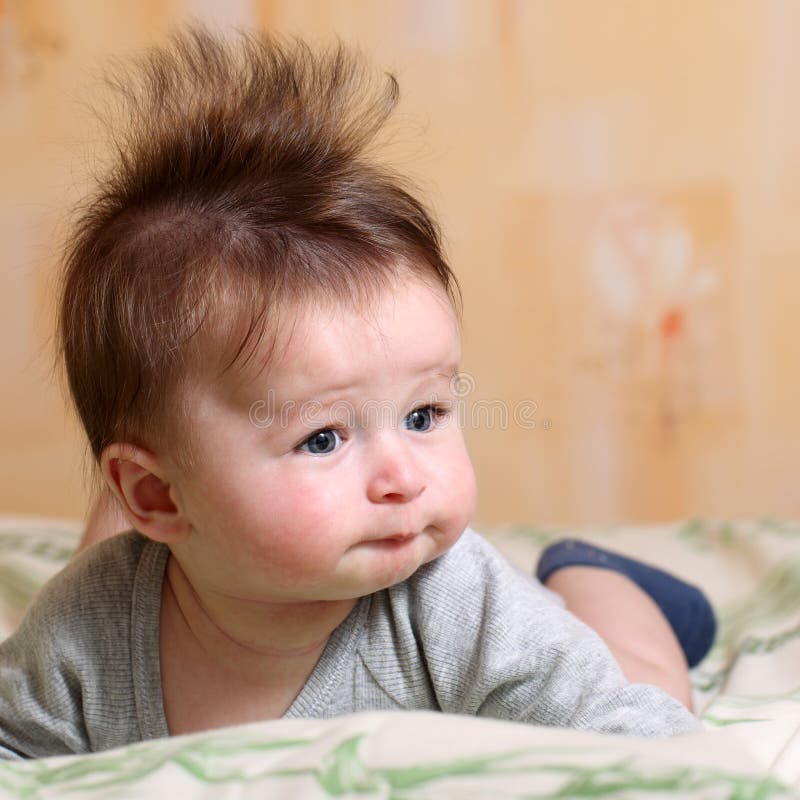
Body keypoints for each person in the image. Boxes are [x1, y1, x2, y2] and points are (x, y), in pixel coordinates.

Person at [0, 29, 714, 759]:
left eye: (423, 415)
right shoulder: (87, 634)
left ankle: (599, 576)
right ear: (152, 496)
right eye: (324, 438)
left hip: (562, 647)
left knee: (642, 674)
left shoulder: (452, 600)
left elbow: (642, 743)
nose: (405, 477)